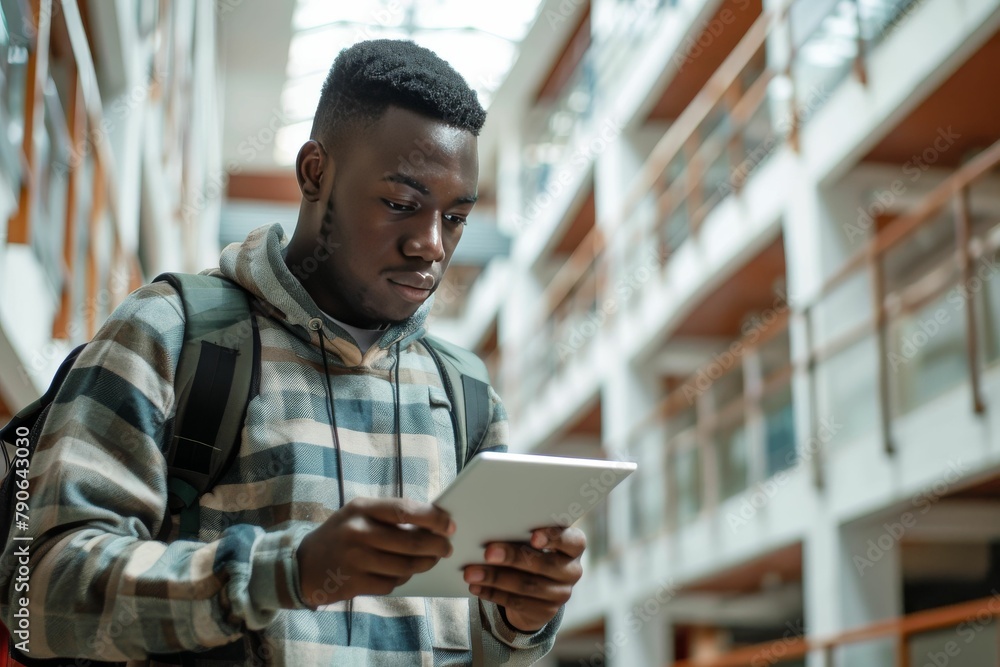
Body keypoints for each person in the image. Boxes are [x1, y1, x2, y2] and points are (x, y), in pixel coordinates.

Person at [0, 39, 585, 665]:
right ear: (314, 173)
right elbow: (40, 597)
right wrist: (289, 571)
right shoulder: (172, 331)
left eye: (455, 218)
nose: (431, 245)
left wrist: (522, 617)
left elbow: (486, 648)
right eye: (400, 205)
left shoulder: (466, 395)